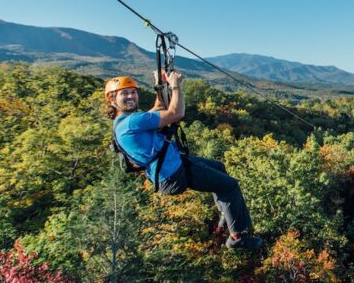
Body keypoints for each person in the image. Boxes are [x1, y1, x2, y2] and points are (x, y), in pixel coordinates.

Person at [105, 71, 262, 250]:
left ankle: (227, 215)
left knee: (218, 167)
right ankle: (238, 237)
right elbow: (176, 113)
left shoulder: (124, 121)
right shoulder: (133, 121)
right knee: (230, 186)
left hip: (171, 166)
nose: (131, 96)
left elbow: (160, 108)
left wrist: (160, 85)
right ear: (112, 100)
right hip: (173, 174)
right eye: (124, 93)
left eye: (133, 92)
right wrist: (175, 86)